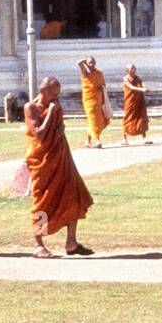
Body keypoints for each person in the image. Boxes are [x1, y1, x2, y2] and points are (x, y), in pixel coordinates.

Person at [24, 76, 93, 258]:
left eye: (57, 96)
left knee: (72, 195)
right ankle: (39, 244)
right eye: (53, 95)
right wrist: (51, 113)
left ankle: (71, 242)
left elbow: (59, 128)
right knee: (42, 201)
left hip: (61, 157)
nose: (56, 99)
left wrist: (58, 120)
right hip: (42, 161)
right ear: (43, 91)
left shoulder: (55, 105)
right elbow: (39, 134)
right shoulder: (30, 107)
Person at [78, 56, 111, 147]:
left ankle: (88, 141)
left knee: (94, 120)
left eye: (93, 62)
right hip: (89, 100)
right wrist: (85, 61)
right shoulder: (85, 72)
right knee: (93, 118)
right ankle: (97, 140)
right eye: (89, 62)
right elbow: (79, 62)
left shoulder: (99, 73)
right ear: (86, 63)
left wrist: (104, 97)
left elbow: (103, 85)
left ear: (95, 63)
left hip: (99, 98)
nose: (91, 64)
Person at [122, 64, 151, 144]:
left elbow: (142, 84)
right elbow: (131, 87)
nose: (133, 70)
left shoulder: (138, 78)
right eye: (131, 69)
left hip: (139, 101)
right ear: (127, 70)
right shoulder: (125, 79)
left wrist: (145, 88)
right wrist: (142, 89)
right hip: (130, 101)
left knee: (141, 118)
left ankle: (144, 138)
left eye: (134, 68)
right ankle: (124, 139)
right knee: (128, 118)